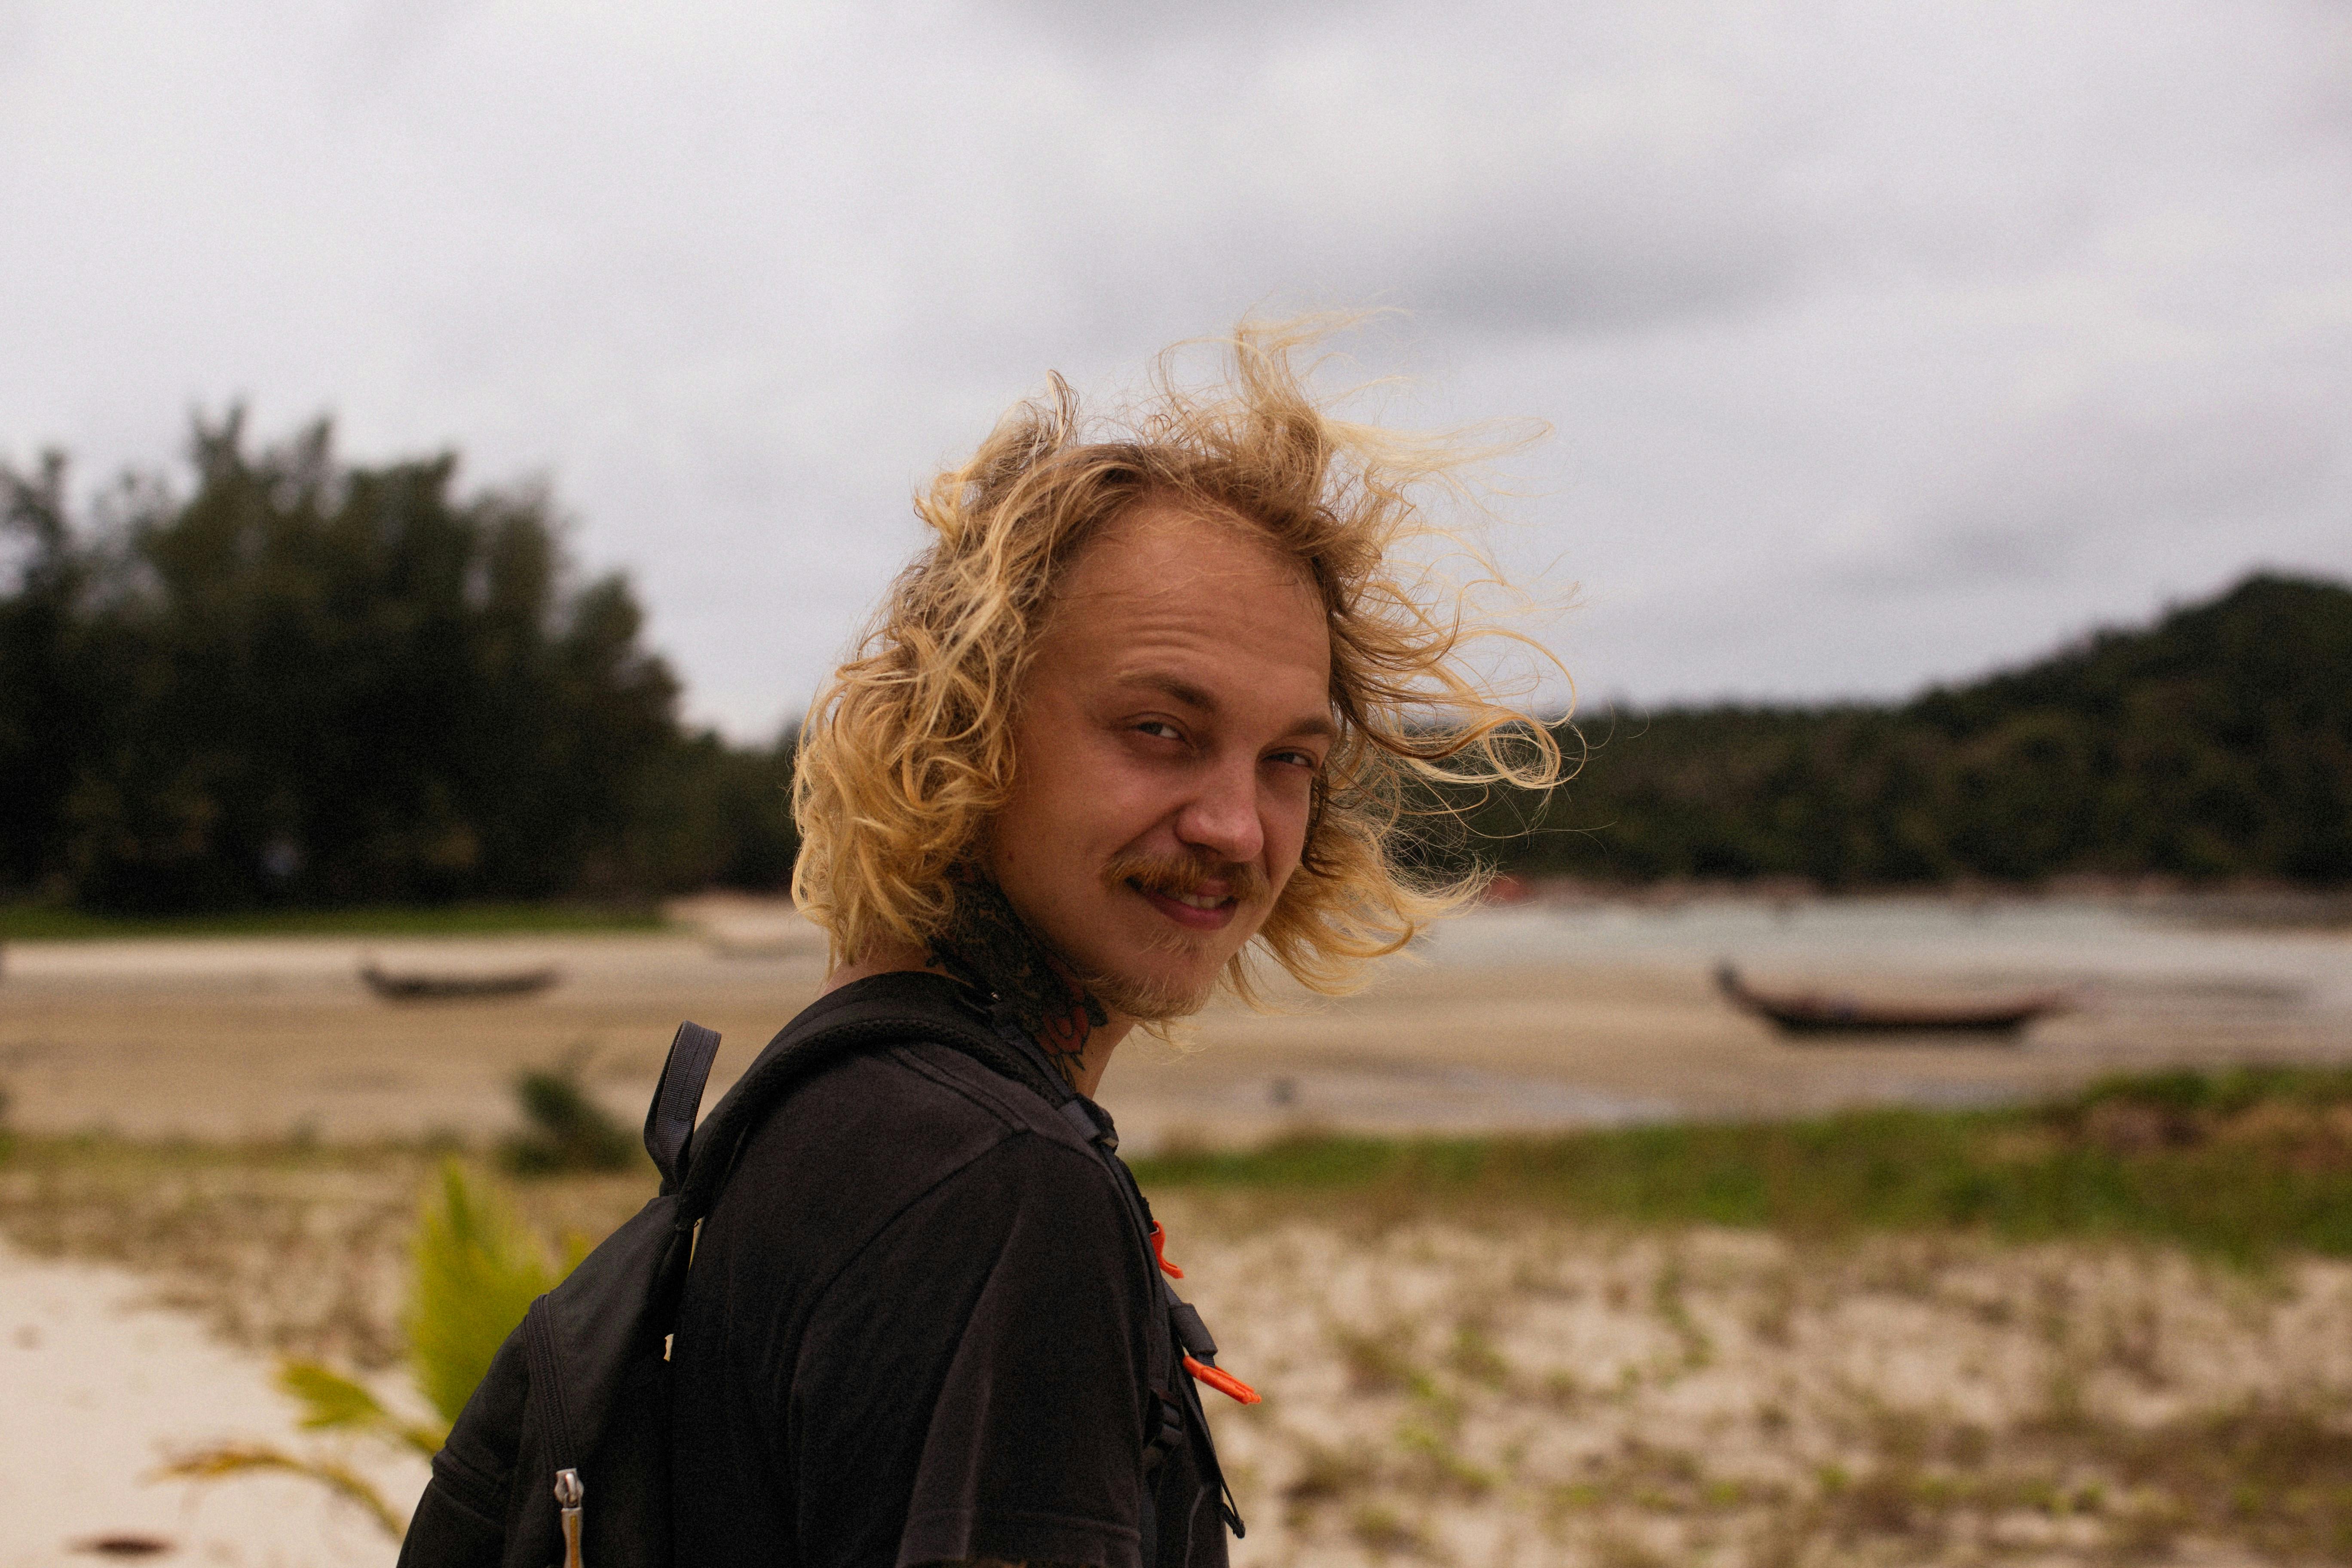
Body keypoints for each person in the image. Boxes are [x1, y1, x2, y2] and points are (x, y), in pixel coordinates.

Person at [667, 320, 1565, 1567]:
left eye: (1289, 759)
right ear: (964, 731)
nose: (1237, 826)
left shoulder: (833, 1103)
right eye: (1159, 728)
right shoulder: (999, 1188)